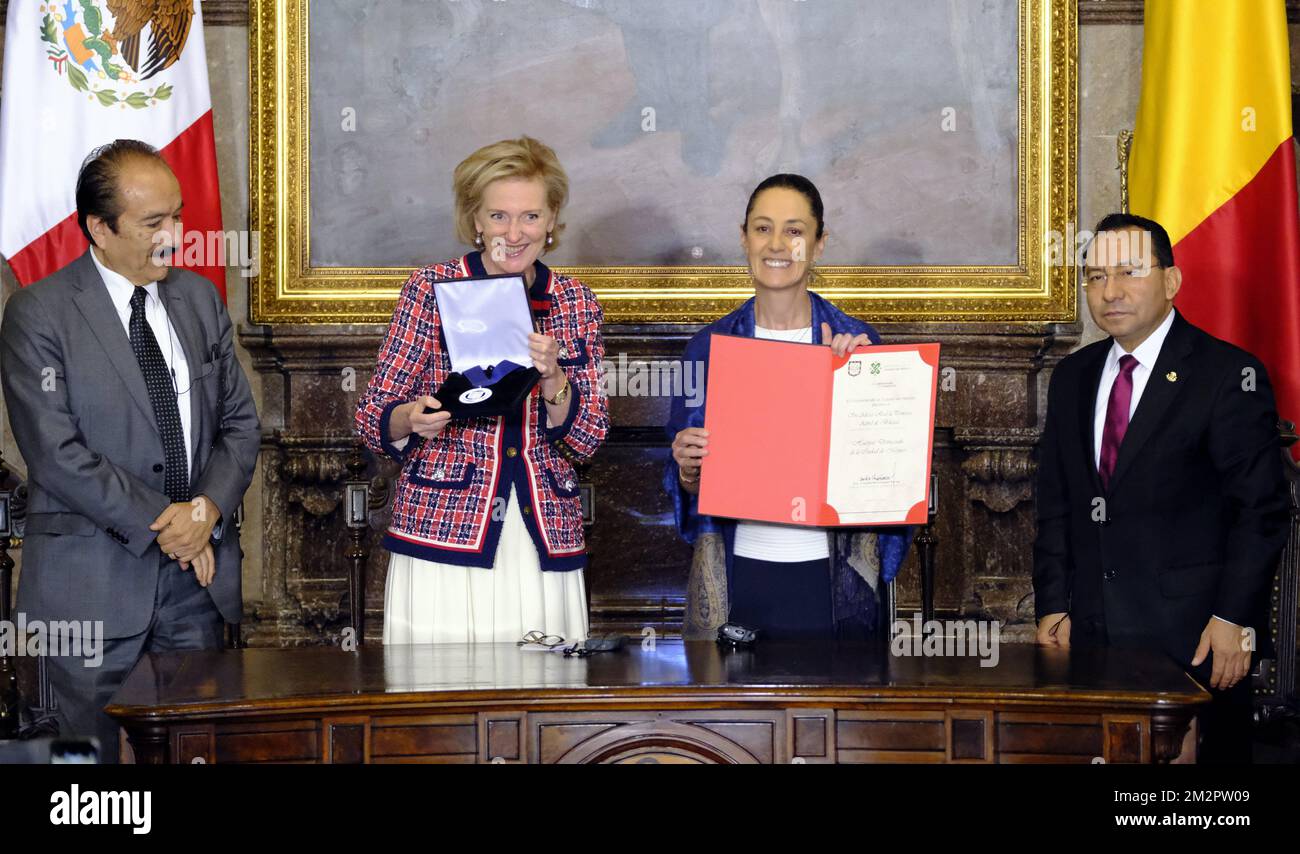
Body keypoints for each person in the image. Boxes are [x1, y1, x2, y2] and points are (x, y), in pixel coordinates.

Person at [0, 139, 261, 761]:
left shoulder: (198, 300)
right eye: (153, 224)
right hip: (87, 593)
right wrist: (170, 524)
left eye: (176, 217)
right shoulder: (39, 313)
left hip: (196, 589)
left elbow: (240, 426)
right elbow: (57, 453)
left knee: (194, 752)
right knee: (81, 776)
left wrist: (205, 512)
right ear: (99, 227)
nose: (173, 235)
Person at [1033, 213, 1289, 763]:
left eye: (1129, 271)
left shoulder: (1226, 375)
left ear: (1171, 282)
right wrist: (1052, 604)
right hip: (1092, 639)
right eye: (1096, 276)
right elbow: (1054, 502)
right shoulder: (1072, 376)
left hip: (1196, 639)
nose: (1111, 291)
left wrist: (1234, 619)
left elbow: (1261, 511)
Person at [355, 136, 608, 645]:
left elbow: (589, 440)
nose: (514, 233)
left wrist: (556, 378)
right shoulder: (431, 288)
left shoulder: (574, 302)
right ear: (474, 219)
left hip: (542, 538)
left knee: (542, 711)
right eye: (498, 216)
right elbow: (371, 416)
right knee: (436, 713)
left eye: (531, 216)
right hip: (441, 533)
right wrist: (412, 418)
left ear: (553, 219)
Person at [665, 174, 910, 640]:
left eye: (794, 231)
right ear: (743, 238)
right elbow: (685, 491)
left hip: (830, 581)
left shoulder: (858, 346)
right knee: (740, 713)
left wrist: (860, 387)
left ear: (819, 245)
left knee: (836, 710)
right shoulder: (708, 349)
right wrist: (686, 470)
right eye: (762, 228)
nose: (777, 244)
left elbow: (887, 488)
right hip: (742, 573)